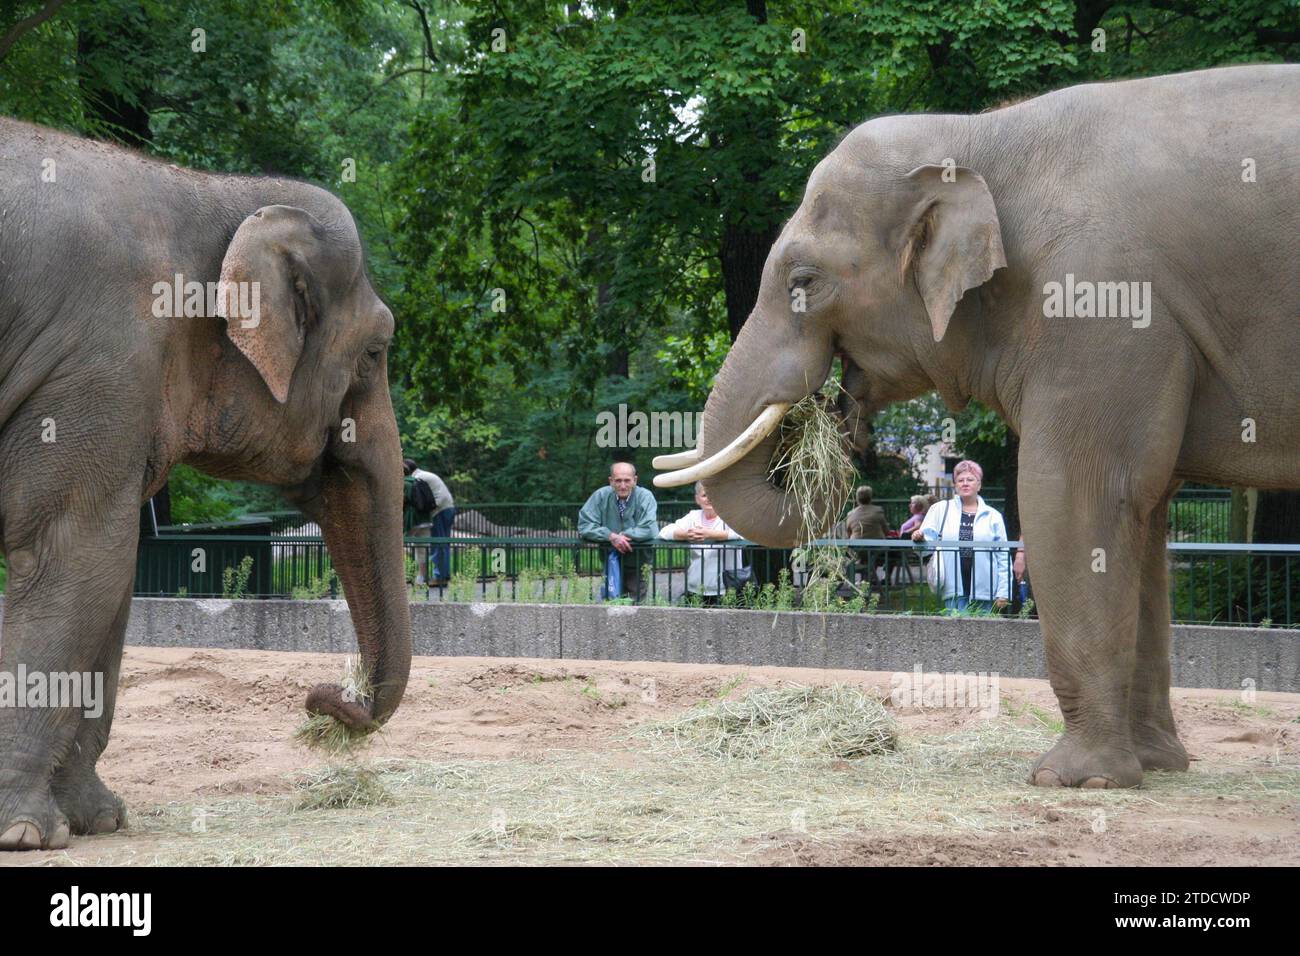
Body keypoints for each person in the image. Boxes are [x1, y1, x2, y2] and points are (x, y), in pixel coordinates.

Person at [911, 460, 1010, 613]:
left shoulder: (993, 516)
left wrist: (1003, 591)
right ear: (955, 485)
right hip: (953, 588)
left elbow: (1002, 555)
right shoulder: (940, 510)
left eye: (970, 479)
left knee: (984, 634)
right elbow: (925, 548)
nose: (965, 483)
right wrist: (919, 539)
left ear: (979, 485)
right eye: (960, 480)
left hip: (985, 589)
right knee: (955, 634)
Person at [578, 462, 658, 600]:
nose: (622, 485)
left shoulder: (645, 496)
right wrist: (610, 536)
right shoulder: (601, 496)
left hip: (638, 562)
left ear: (635, 480)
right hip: (610, 561)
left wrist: (624, 536)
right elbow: (584, 525)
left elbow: (650, 529)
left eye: (627, 480)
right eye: (618, 481)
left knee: (636, 607)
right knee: (611, 604)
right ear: (611, 481)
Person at [658, 482, 746, 604]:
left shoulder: (730, 515)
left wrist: (709, 534)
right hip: (696, 585)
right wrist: (686, 534)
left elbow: (742, 533)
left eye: (713, 495)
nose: (709, 499)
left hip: (726, 587)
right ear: (697, 499)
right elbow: (664, 532)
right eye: (705, 495)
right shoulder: (693, 516)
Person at [404, 458, 456, 587]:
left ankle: (440, 577)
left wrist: (428, 511)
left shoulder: (419, 478)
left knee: (439, 544)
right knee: (441, 543)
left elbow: (422, 498)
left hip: (440, 511)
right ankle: (442, 575)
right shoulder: (423, 475)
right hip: (446, 509)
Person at [844, 485, 891, 585]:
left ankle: (863, 582)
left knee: (863, 558)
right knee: (888, 554)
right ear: (871, 497)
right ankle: (874, 580)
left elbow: (848, 533)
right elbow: (887, 531)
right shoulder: (878, 511)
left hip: (857, 549)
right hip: (876, 549)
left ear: (857, 498)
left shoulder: (851, 514)